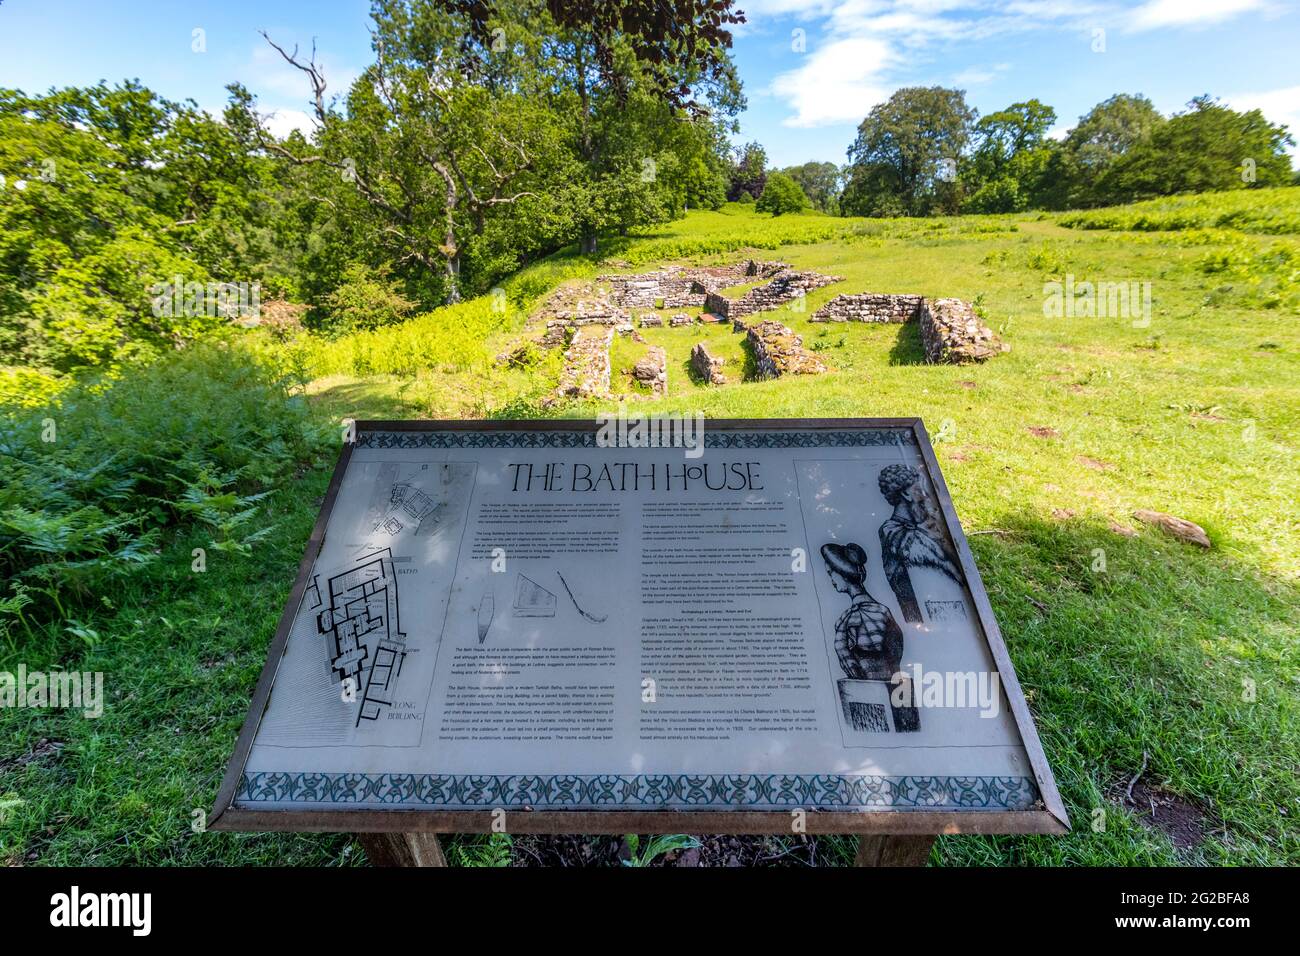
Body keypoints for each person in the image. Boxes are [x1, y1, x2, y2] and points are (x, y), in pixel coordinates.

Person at [820, 542, 918, 732]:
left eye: (831, 573)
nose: (831, 579)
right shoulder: (879, 611)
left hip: (872, 700)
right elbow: (894, 650)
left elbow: (859, 664)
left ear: (842, 573)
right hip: (885, 693)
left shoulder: (856, 618)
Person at [877, 464, 962, 623]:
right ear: (905, 493)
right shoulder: (893, 532)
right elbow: (935, 559)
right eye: (921, 492)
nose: (926, 497)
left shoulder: (917, 530)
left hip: (941, 607)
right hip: (925, 616)